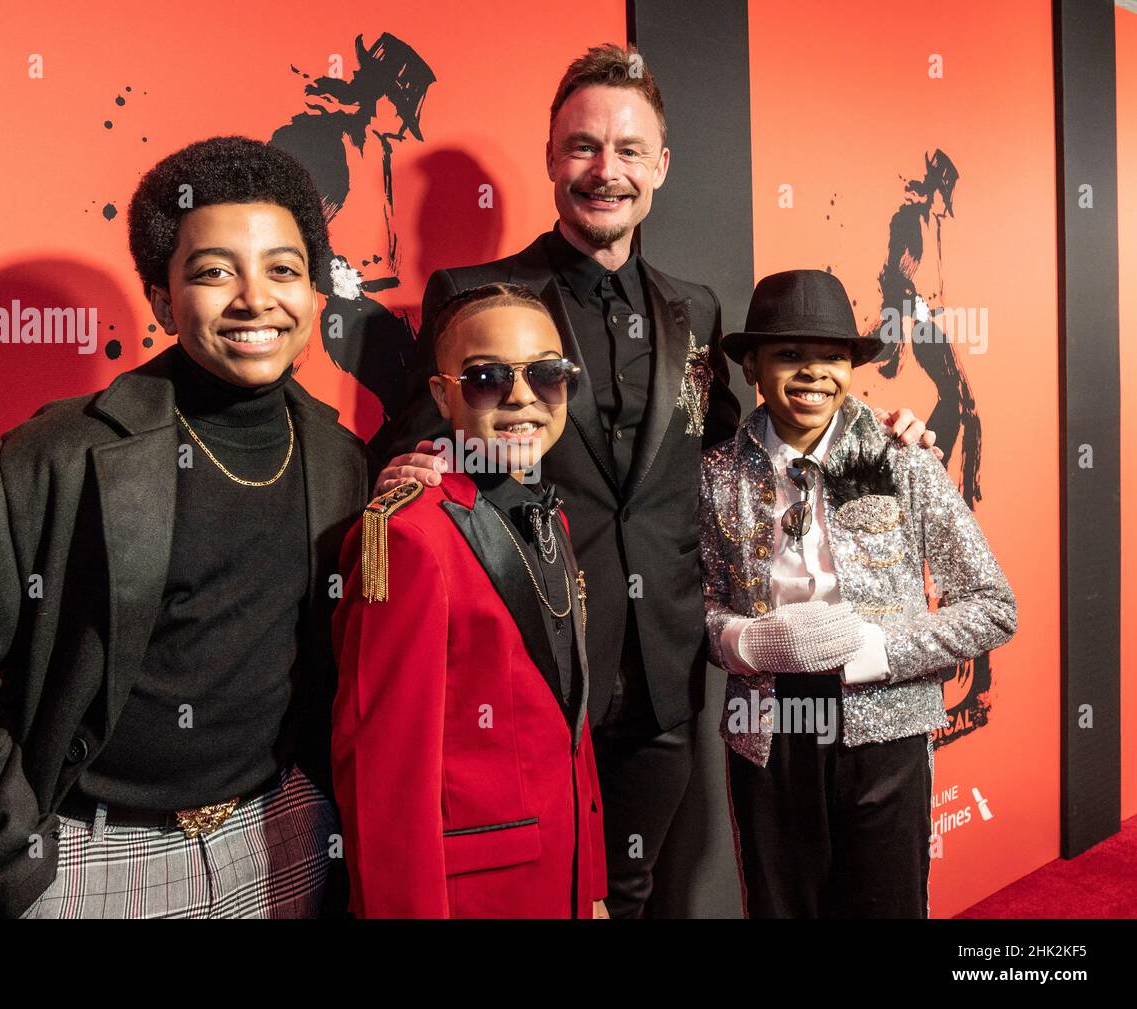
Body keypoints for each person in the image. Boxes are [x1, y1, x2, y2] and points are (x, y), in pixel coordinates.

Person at [372, 43, 939, 917]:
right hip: (531, 670)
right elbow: (418, 465)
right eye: (584, 146)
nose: (606, 171)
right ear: (553, 156)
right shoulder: (473, 294)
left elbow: (747, 453)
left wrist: (876, 431)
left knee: (634, 894)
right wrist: (411, 473)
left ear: (662, 165)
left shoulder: (696, 308)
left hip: (667, 668)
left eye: (630, 150)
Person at [0, 137, 371, 918]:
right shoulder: (54, 456)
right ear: (160, 297)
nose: (256, 298)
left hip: (282, 837)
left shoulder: (340, 456)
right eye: (215, 271)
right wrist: (16, 869)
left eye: (283, 269)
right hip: (95, 859)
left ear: (314, 291)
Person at [699, 269, 1017, 918]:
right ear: (753, 365)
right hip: (767, 736)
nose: (814, 371)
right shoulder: (716, 473)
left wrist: (878, 649)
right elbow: (698, 605)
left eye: (832, 355)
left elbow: (993, 605)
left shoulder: (902, 458)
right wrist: (741, 639)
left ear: (852, 366)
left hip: (887, 732)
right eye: (790, 354)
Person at [332, 283, 607, 918]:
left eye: (546, 374)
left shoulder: (551, 520)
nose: (522, 397)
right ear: (441, 394)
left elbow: (572, 723)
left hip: (560, 880)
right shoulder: (409, 537)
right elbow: (384, 778)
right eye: (486, 378)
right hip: (472, 895)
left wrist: (590, 883)